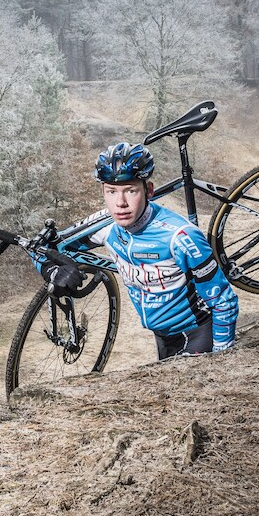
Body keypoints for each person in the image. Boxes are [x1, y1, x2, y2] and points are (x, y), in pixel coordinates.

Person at [42, 142, 239, 359]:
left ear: (149, 190)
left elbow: (224, 302)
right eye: (111, 191)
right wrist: (52, 271)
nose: (120, 203)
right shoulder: (105, 225)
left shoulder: (180, 236)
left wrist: (221, 357)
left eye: (131, 190)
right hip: (162, 336)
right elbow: (46, 248)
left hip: (197, 332)